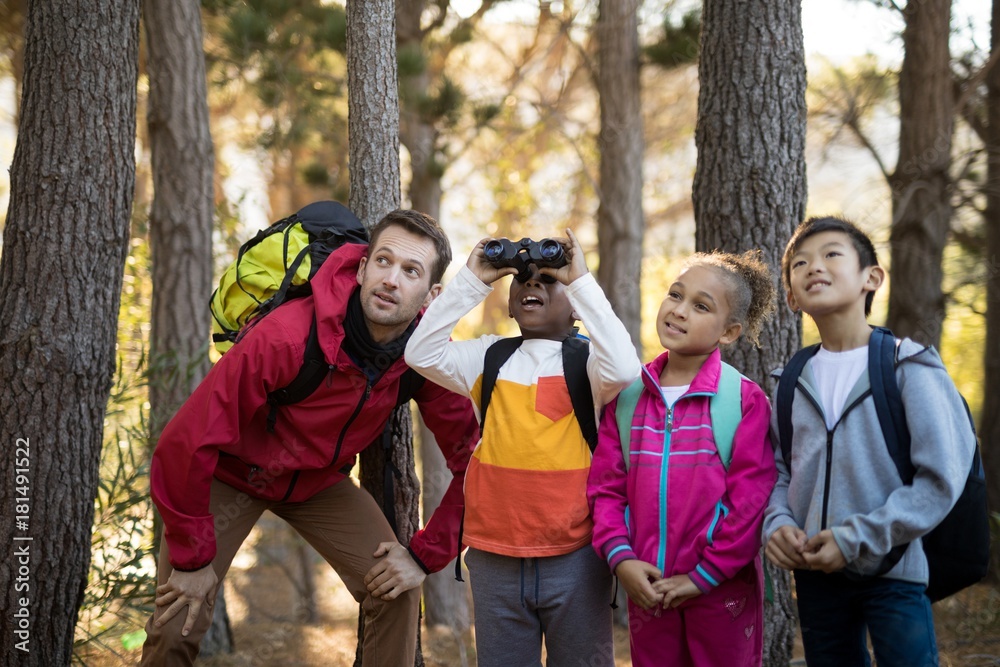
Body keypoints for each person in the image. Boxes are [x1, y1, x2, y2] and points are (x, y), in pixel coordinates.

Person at [140, 209, 479, 666]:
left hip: (318, 483)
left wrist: (423, 556)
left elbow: (477, 465)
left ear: (432, 295)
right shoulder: (285, 336)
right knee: (181, 613)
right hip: (232, 473)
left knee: (396, 590)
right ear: (361, 268)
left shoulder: (427, 360)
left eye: (410, 270)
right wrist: (193, 558)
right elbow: (185, 441)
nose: (391, 280)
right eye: (383, 261)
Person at [404, 228, 640, 666]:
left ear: (575, 306)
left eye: (550, 279)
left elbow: (627, 368)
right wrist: (473, 279)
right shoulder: (488, 357)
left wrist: (580, 280)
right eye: (524, 278)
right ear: (510, 301)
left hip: (575, 557)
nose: (534, 282)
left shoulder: (588, 362)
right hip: (494, 559)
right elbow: (419, 353)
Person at [762, 216, 974, 667]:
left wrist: (857, 537)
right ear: (792, 297)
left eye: (831, 254)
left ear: (871, 277)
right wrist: (776, 523)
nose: (814, 266)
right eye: (800, 263)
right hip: (815, 575)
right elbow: (780, 471)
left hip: (894, 570)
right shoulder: (788, 382)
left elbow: (940, 479)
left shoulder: (909, 367)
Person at [587, 249, 778, 667]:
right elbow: (605, 491)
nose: (679, 310)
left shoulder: (742, 400)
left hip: (721, 592)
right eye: (676, 295)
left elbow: (751, 502)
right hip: (648, 589)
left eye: (701, 306)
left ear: (729, 332)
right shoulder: (627, 397)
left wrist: (703, 576)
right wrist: (621, 559)